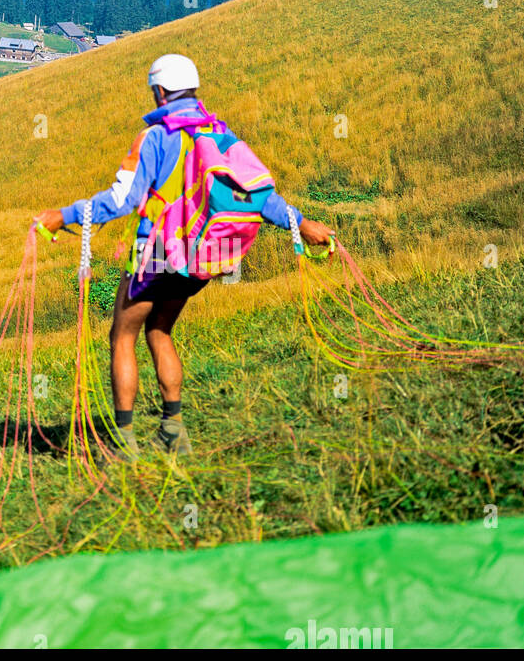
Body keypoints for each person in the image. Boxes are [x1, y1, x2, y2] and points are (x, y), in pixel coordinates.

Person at [36, 53, 334, 460]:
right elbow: (260, 195)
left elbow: (124, 200)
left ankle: (124, 446)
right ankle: (173, 432)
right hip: (198, 259)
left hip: (155, 252)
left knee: (122, 336)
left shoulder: (154, 136)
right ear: (192, 89)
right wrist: (303, 224)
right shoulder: (220, 134)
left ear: (159, 91)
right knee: (160, 330)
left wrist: (63, 216)